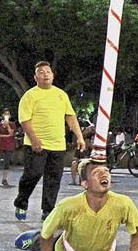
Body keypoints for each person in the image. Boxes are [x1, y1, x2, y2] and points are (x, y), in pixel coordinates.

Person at [15, 159, 138, 251]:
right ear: (85, 184)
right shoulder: (68, 205)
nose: (104, 175)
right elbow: (47, 234)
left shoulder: (124, 203)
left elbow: (137, 227)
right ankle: (33, 238)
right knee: (40, 242)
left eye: (106, 171)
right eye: (97, 172)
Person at [13, 62, 85, 221]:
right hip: (36, 144)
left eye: (48, 72)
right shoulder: (30, 95)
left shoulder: (61, 95)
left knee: (53, 179)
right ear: (35, 77)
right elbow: (24, 120)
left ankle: (48, 210)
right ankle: (21, 202)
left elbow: (70, 116)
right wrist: (34, 139)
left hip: (58, 145)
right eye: (41, 72)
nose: (45, 74)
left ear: (52, 75)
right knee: (32, 174)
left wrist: (79, 136)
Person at [0, 109, 17, 187]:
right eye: (5, 114)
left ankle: (4, 179)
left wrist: (7, 126)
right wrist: (6, 136)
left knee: (7, 163)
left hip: (9, 145)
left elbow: (11, 133)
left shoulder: (12, 124)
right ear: (2, 115)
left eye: (8, 114)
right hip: (0, 145)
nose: (6, 116)